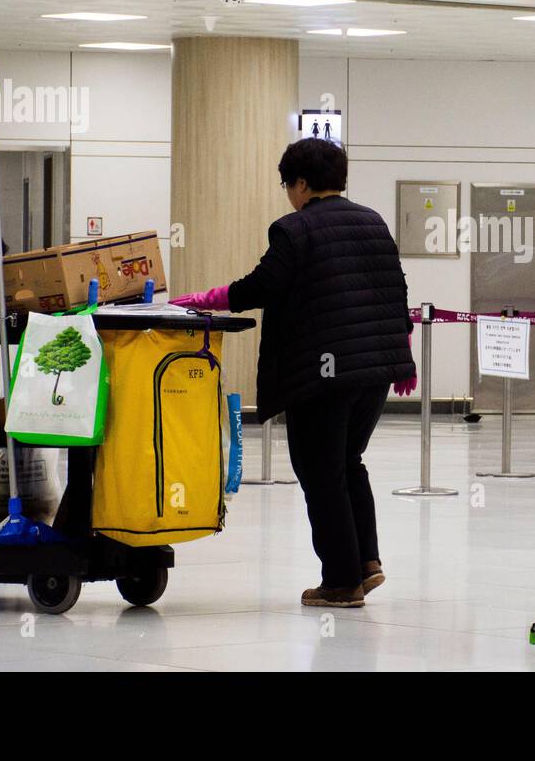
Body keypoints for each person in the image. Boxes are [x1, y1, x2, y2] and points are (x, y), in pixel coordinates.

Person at [171, 138, 416, 608]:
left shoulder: (294, 228)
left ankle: (342, 582)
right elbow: (397, 292)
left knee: (320, 473)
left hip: (323, 373)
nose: (289, 193)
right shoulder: (373, 221)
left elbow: (264, 285)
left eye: (289, 184)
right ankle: (366, 562)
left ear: (301, 183)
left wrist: (206, 299)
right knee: (347, 463)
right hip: (376, 369)